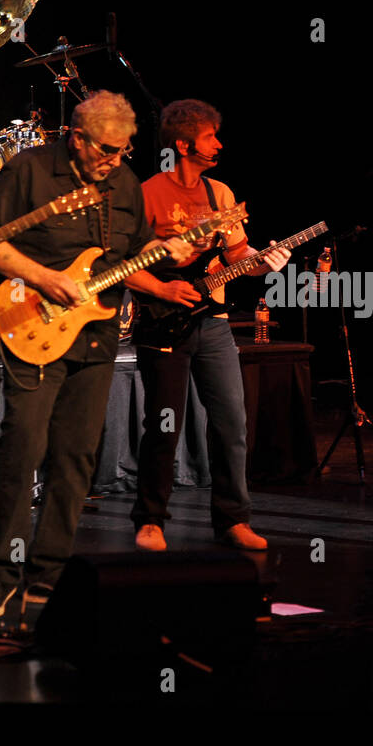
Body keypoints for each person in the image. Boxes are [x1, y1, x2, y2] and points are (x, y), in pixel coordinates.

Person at [0, 91, 192, 617]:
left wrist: (171, 253)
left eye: (123, 150)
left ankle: (47, 578)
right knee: (21, 450)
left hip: (97, 335)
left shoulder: (125, 183)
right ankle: (0, 579)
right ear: (78, 137)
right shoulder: (31, 170)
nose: (114, 159)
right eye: (106, 150)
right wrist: (45, 277)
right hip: (33, 326)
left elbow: (130, 258)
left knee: (75, 459)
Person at [123, 99, 289, 552]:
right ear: (183, 143)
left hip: (213, 323)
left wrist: (264, 263)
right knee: (163, 426)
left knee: (231, 423)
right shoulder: (147, 193)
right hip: (163, 324)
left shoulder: (221, 193)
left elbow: (238, 257)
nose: (218, 143)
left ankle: (234, 520)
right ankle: (151, 520)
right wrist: (162, 290)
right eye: (210, 136)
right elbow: (124, 263)